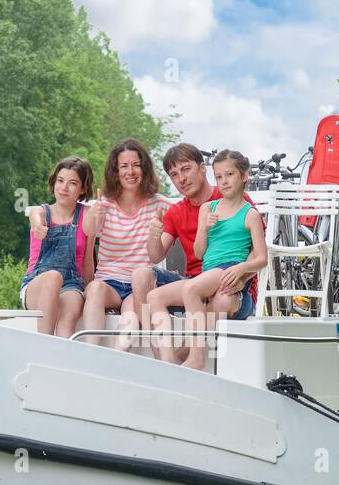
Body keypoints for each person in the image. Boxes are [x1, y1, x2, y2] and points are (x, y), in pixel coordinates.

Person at [135, 144, 257, 364]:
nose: (181, 178)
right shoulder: (176, 211)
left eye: (186, 169)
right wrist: (153, 234)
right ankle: (165, 360)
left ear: (202, 168)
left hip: (231, 285)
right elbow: (156, 255)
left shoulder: (232, 197)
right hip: (194, 282)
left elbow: (256, 250)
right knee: (141, 276)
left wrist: (242, 276)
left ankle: (183, 359)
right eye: (174, 174)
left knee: (220, 298)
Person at [181, 150, 266, 370]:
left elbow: (262, 258)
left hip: (228, 269)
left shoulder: (250, 214)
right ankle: (175, 357)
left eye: (229, 174)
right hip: (208, 271)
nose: (224, 181)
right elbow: (199, 254)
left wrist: (241, 268)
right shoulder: (207, 209)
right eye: (218, 177)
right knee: (157, 296)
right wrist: (204, 228)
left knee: (190, 290)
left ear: (244, 175)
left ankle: (195, 357)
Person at [79, 139, 167, 346]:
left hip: (138, 285)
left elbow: (184, 223)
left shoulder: (159, 204)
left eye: (136, 165)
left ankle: (116, 365)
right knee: (94, 289)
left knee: (130, 322)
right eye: (124, 166)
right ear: (115, 171)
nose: (131, 171)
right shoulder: (104, 205)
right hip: (107, 283)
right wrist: (94, 215)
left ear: (144, 168)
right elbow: (88, 232)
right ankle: (90, 353)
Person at [22, 156, 96, 336]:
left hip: (72, 283)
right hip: (37, 284)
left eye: (72, 183)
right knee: (53, 278)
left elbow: (87, 263)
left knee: (70, 313)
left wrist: (90, 294)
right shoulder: (40, 212)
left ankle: (61, 359)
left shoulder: (87, 216)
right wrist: (38, 226)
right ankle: (44, 346)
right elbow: (35, 216)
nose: (64, 187)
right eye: (60, 181)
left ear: (83, 188)